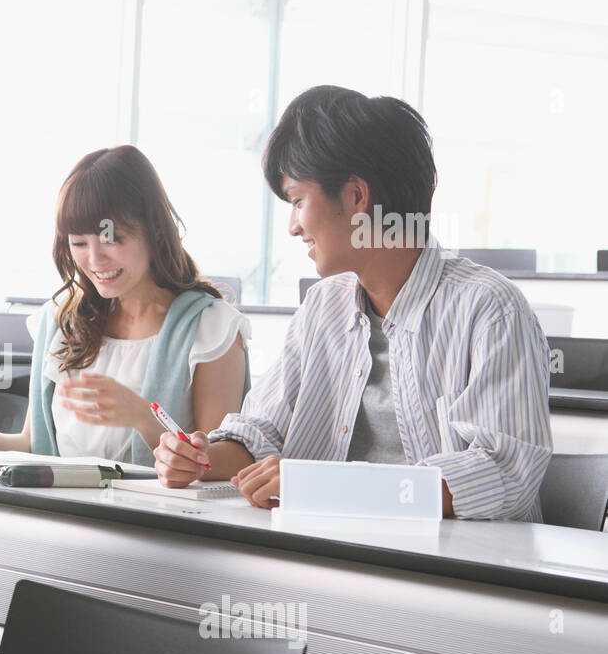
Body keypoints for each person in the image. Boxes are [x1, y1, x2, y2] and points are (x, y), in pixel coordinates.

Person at [154, 85, 552, 521]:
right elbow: (260, 434)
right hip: (329, 558)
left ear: (356, 197)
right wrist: (202, 456)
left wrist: (327, 485)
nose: (292, 227)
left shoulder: (490, 310)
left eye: (297, 201)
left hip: (454, 574)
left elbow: (501, 475)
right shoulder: (323, 307)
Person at [0, 145, 250, 467]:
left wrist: (141, 415)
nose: (95, 260)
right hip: (64, 513)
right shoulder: (60, 322)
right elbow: (37, 444)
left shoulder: (211, 329)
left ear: (154, 230)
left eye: (111, 239)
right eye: (79, 243)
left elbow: (213, 463)